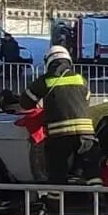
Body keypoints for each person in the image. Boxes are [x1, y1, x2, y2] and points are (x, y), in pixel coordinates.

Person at [20, 46, 101, 186]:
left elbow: (26, 103)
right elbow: (86, 100)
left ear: (49, 62)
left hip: (59, 134)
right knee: (91, 170)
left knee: (57, 172)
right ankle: (98, 200)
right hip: (86, 133)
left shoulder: (45, 80)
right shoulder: (81, 79)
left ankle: (56, 202)